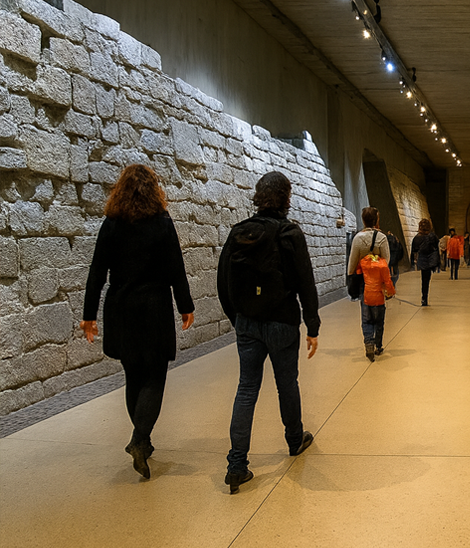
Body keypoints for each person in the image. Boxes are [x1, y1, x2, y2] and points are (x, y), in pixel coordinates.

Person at [82, 164, 195, 480]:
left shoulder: (112, 224)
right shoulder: (162, 222)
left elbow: (96, 272)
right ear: (153, 191)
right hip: (154, 307)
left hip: (121, 307)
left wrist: (89, 315)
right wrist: (185, 306)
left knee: (133, 374)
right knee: (155, 376)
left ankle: (142, 439)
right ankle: (139, 439)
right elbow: (176, 268)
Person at [217, 171, 320, 494]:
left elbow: (223, 281)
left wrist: (237, 318)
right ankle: (294, 439)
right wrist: (312, 325)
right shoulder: (290, 233)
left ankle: (236, 464)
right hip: (282, 322)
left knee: (247, 388)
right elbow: (305, 282)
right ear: (286, 198)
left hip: (248, 322)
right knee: (286, 383)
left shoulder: (239, 232)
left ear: (258, 196)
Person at [348, 207, 391, 359]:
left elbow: (352, 264)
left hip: (363, 283)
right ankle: (378, 345)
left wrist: (351, 278)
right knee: (379, 316)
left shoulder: (358, 238)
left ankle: (368, 343)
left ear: (363, 220)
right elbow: (387, 260)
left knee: (366, 316)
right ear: (376, 220)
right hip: (378, 283)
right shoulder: (382, 238)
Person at [356, 237, 396, 362]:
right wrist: (391, 292)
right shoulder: (382, 264)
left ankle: (369, 344)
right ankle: (378, 346)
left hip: (367, 295)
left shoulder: (363, 262)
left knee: (367, 322)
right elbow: (387, 281)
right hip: (379, 297)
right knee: (379, 323)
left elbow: (357, 273)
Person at [410, 218, 440, 306]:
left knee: (424, 280)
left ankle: (424, 298)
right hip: (431, 260)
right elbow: (436, 247)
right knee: (427, 279)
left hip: (422, 260)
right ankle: (425, 298)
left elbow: (414, 250)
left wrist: (412, 261)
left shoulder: (417, 238)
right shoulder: (433, 236)